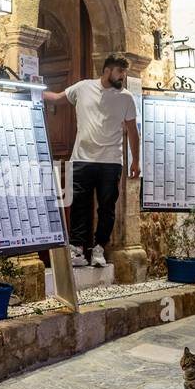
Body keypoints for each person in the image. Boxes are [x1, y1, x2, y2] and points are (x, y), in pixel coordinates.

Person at [42, 54, 140, 268]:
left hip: (111, 161)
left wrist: (135, 162)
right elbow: (58, 98)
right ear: (107, 71)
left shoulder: (126, 98)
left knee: (106, 208)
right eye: (119, 72)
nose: (123, 76)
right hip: (82, 159)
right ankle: (77, 249)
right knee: (79, 205)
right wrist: (33, 91)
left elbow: (133, 131)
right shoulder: (83, 88)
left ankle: (99, 249)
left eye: (124, 72)